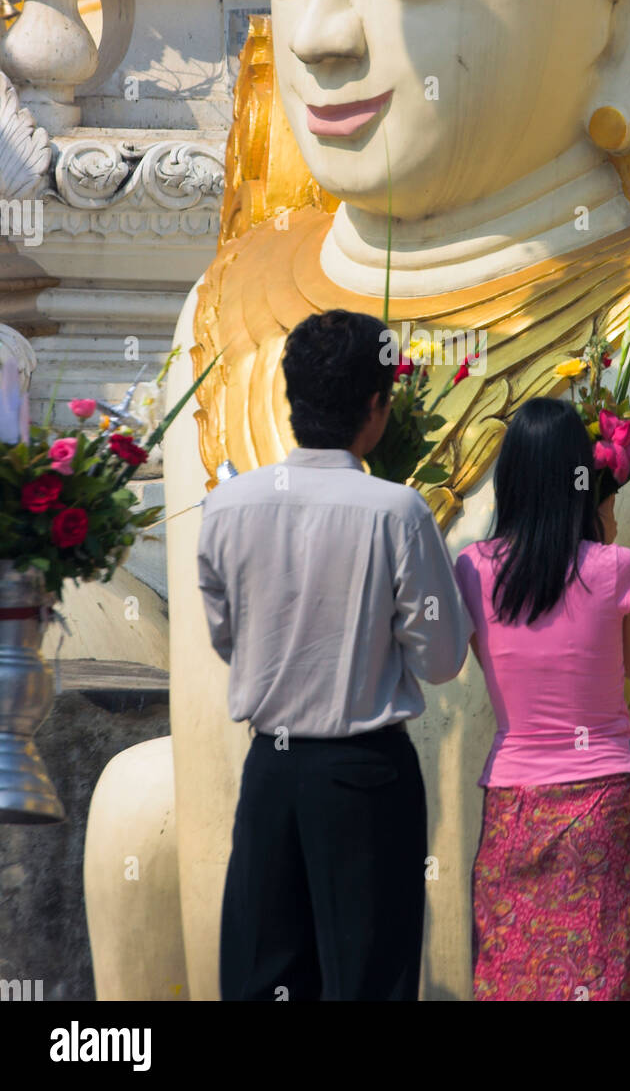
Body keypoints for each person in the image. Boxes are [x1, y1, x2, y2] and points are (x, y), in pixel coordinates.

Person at [197, 309, 473, 1002]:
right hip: (364, 779)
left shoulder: (228, 506)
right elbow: (442, 659)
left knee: (264, 979)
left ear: (293, 400)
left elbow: (227, 637)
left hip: (271, 771)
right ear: (376, 408)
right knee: (368, 983)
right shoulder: (396, 512)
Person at [454, 397, 630, 1002]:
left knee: (514, 974)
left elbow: (483, 661)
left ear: (510, 477)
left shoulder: (472, 568)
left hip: (515, 801)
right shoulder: (617, 567)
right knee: (605, 974)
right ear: (584, 479)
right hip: (607, 801)